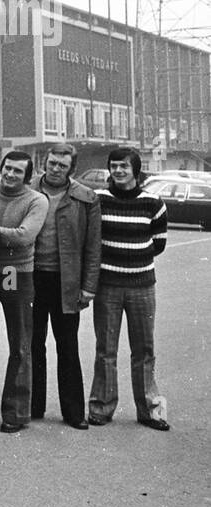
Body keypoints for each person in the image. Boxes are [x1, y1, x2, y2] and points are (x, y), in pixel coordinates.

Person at [88, 148, 169, 431]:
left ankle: (149, 410)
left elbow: (158, 243)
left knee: (143, 350)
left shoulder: (153, 203)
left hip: (142, 287)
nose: (118, 170)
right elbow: (92, 240)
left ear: (136, 170)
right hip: (107, 287)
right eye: (114, 166)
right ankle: (101, 407)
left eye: (124, 166)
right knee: (105, 350)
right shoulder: (99, 200)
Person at [0, 150, 48, 434]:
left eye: (17, 171)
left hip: (14, 273)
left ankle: (15, 413)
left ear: (27, 177)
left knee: (19, 343)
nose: (9, 174)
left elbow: (25, 236)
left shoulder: (35, 200)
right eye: (7, 168)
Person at [30, 144, 100, 430]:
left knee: (67, 346)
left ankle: (73, 412)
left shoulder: (86, 197)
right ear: (44, 162)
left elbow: (93, 247)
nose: (55, 169)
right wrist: (9, 285)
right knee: (31, 344)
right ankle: (32, 407)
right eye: (51, 163)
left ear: (72, 169)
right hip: (31, 279)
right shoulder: (28, 189)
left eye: (62, 165)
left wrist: (89, 287)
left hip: (67, 282)